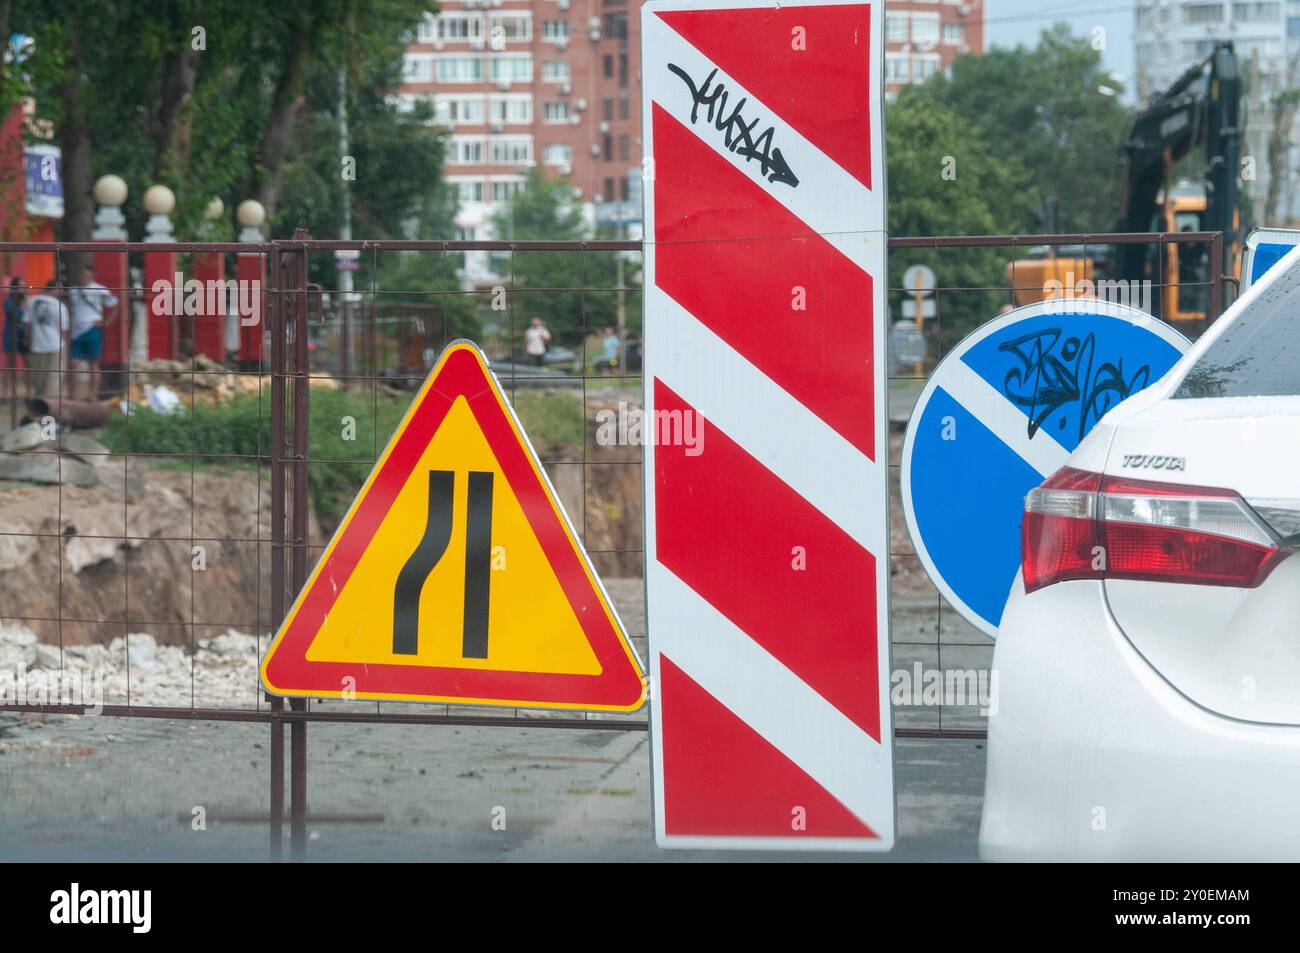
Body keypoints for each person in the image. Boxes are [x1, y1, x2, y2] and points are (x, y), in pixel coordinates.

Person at [67, 265, 118, 400]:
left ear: (91, 276)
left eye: (85, 275)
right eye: (82, 274)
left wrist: (106, 322)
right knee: (74, 364)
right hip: (76, 331)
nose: (82, 277)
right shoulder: (73, 290)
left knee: (93, 364)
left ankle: (93, 395)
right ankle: (74, 395)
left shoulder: (100, 290)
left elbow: (114, 304)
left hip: (92, 329)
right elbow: (70, 309)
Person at [23, 279, 69, 400]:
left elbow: (26, 324)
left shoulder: (32, 301)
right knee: (54, 378)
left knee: (38, 378)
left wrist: (29, 340)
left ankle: (40, 402)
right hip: (56, 345)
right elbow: (63, 329)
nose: (61, 292)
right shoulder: (59, 305)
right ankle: (48, 406)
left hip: (37, 344)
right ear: (55, 288)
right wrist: (65, 344)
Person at [3, 278, 27, 396]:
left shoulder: (26, 300)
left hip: (24, 334)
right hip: (10, 334)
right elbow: (15, 314)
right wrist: (22, 308)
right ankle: (6, 393)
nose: (24, 288)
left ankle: (29, 393)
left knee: (27, 363)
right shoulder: (8, 301)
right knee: (10, 364)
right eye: (21, 286)